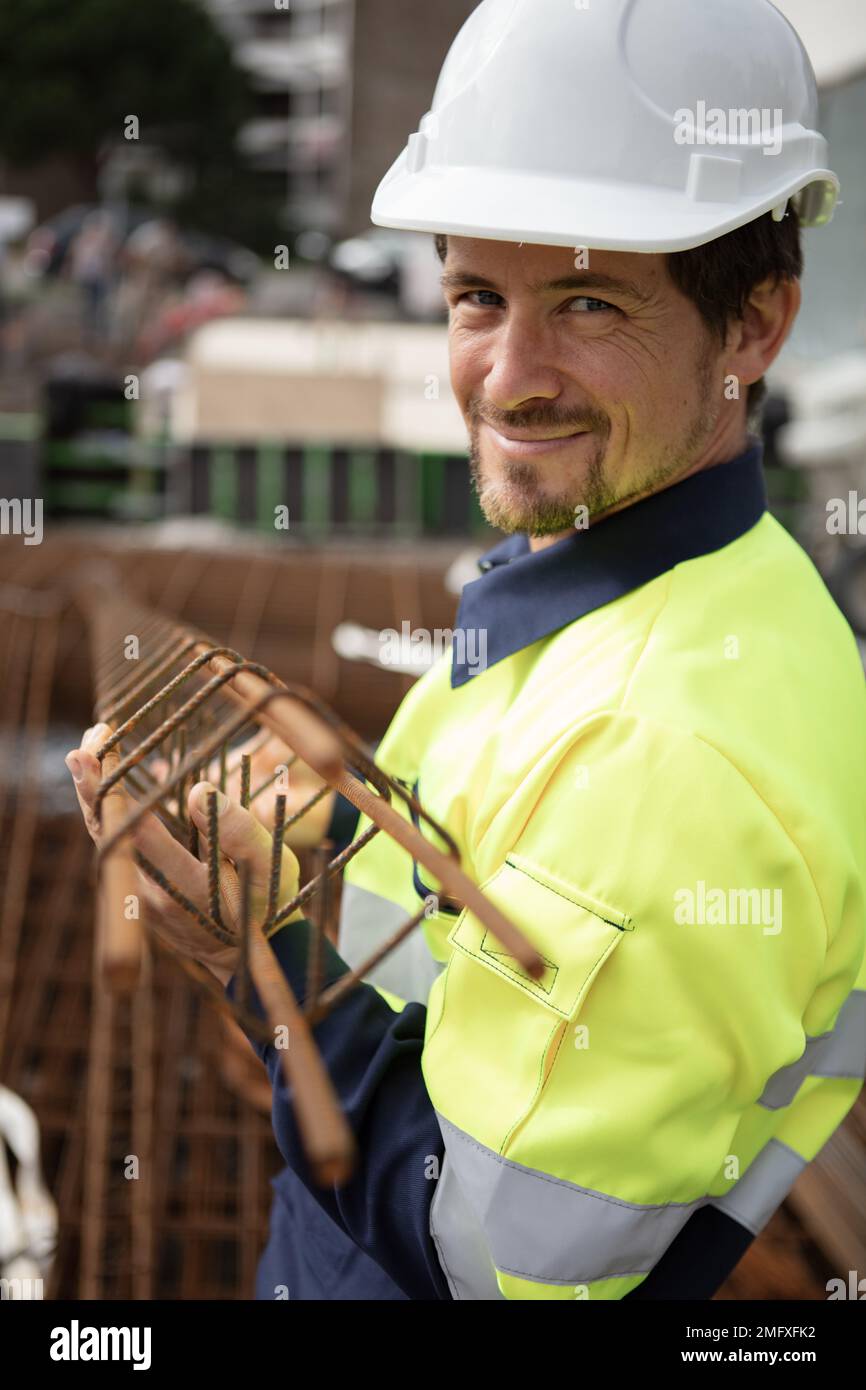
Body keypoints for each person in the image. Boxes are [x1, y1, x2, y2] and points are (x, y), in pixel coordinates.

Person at [66, 0, 866, 1300]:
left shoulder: (669, 752)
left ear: (754, 328)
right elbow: (494, 889)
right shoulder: (629, 580)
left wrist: (263, 958)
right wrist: (332, 836)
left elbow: (491, 1266)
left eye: (589, 301)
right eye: (477, 296)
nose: (507, 374)